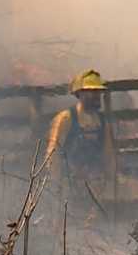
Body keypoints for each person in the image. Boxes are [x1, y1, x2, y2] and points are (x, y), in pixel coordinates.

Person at [41, 69, 117, 214]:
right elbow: (53, 154)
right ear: (80, 93)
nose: (96, 96)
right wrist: (55, 183)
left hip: (95, 185)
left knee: (93, 225)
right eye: (91, 92)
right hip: (68, 185)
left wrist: (111, 179)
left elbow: (109, 153)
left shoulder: (102, 122)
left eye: (98, 92)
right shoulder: (65, 119)